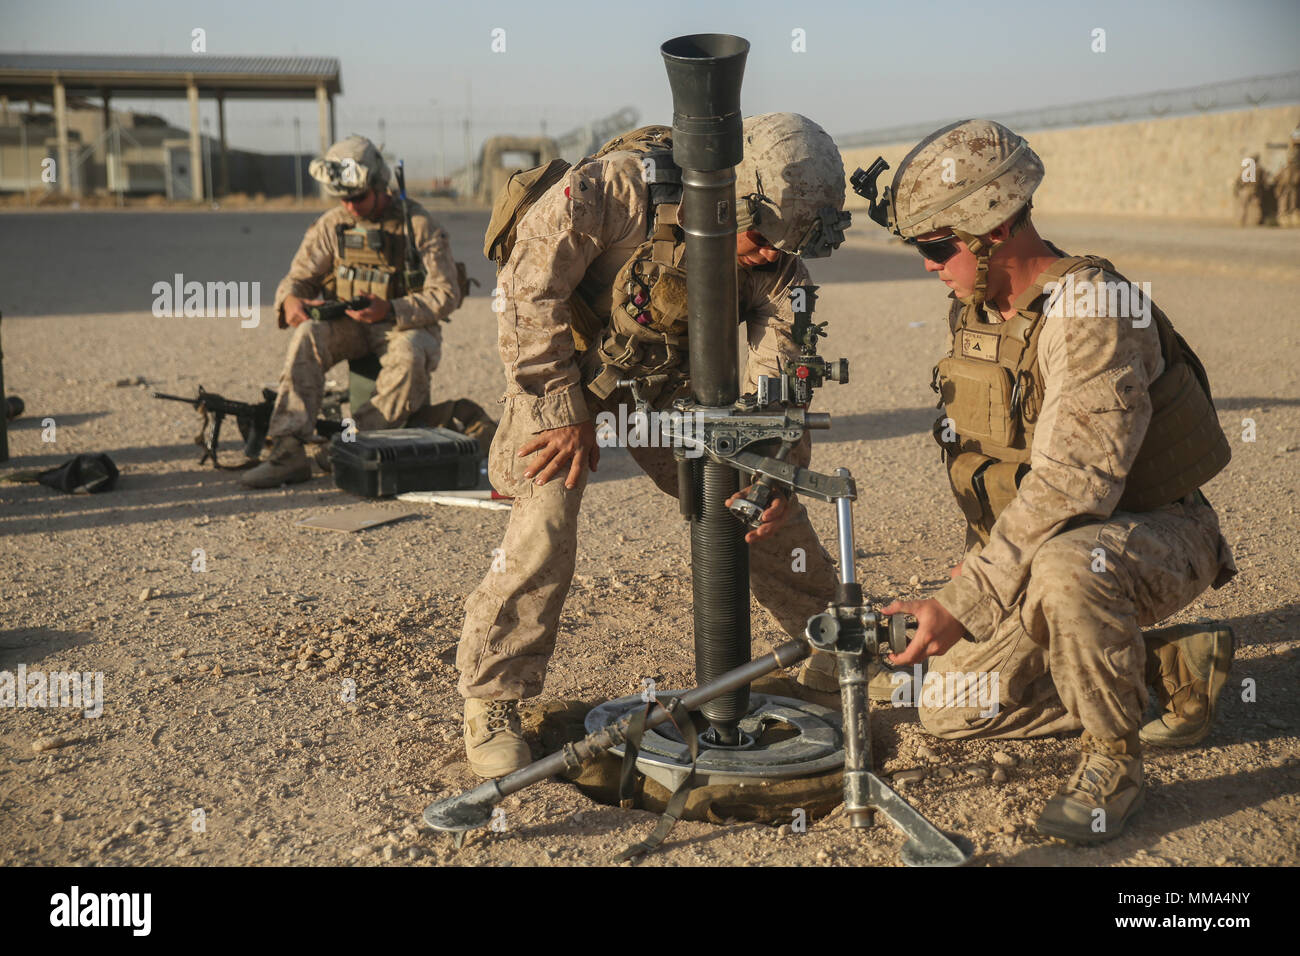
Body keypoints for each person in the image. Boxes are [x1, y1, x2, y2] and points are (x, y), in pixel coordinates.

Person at [859, 119, 1237, 844]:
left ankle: (1114, 762)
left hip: (1156, 533)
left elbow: (1075, 483)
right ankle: (1165, 670)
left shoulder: (1094, 311)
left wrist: (968, 597)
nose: (928, 266)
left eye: (938, 248)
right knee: (949, 708)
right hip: (1047, 545)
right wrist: (981, 568)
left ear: (994, 229)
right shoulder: (980, 309)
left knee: (1070, 568)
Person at [456, 114, 852, 777]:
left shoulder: (784, 271)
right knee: (547, 512)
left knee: (750, 494)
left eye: (789, 248)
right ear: (727, 198)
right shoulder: (615, 191)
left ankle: (830, 644)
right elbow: (526, 291)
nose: (770, 258)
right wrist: (560, 406)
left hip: (670, 374)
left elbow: (780, 387)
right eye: (760, 238)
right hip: (563, 361)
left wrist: (774, 469)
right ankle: (493, 694)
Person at [242, 135, 494, 488]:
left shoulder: (417, 226)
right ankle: (287, 449)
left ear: (379, 185)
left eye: (358, 198)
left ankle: (351, 444)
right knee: (307, 336)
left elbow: (446, 293)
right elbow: (298, 278)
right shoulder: (332, 225)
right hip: (350, 324)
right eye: (343, 199)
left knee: (409, 355)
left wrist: (391, 308)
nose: (351, 207)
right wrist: (290, 301)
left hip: (403, 325)